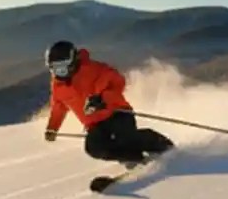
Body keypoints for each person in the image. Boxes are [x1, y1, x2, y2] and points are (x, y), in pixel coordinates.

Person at [42, 40, 174, 166]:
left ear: (73, 62)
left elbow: (117, 82)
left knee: (125, 139)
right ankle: (132, 157)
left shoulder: (92, 70)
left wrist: (102, 98)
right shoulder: (58, 86)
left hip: (116, 113)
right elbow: (58, 107)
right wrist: (52, 127)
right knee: (94, 148)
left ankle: (159, 143)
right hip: (94, 123)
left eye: (62, 69)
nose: (59, 74)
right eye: (54, 69)